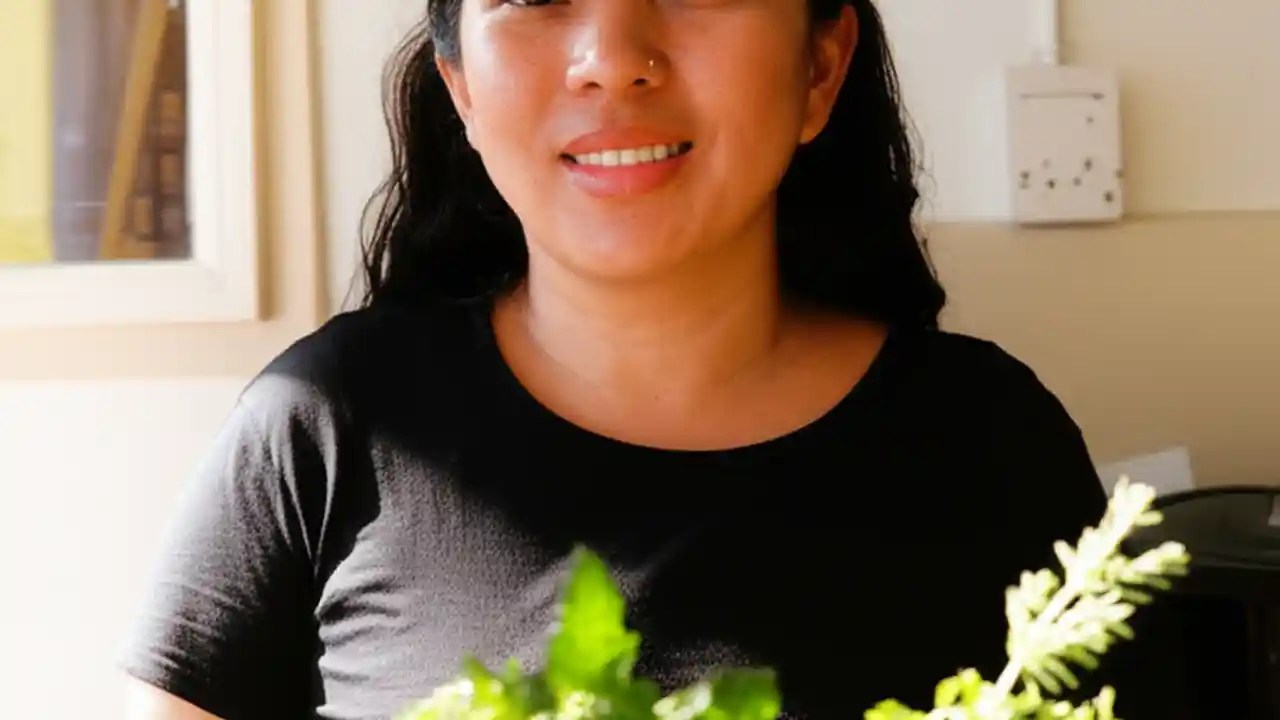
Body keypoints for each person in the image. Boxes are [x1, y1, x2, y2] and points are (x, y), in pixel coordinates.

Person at [120, 1, 1128, 718]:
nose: (611, 56)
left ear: (818, 68)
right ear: (461, 86)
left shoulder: (991, 442)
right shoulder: (325, 425)